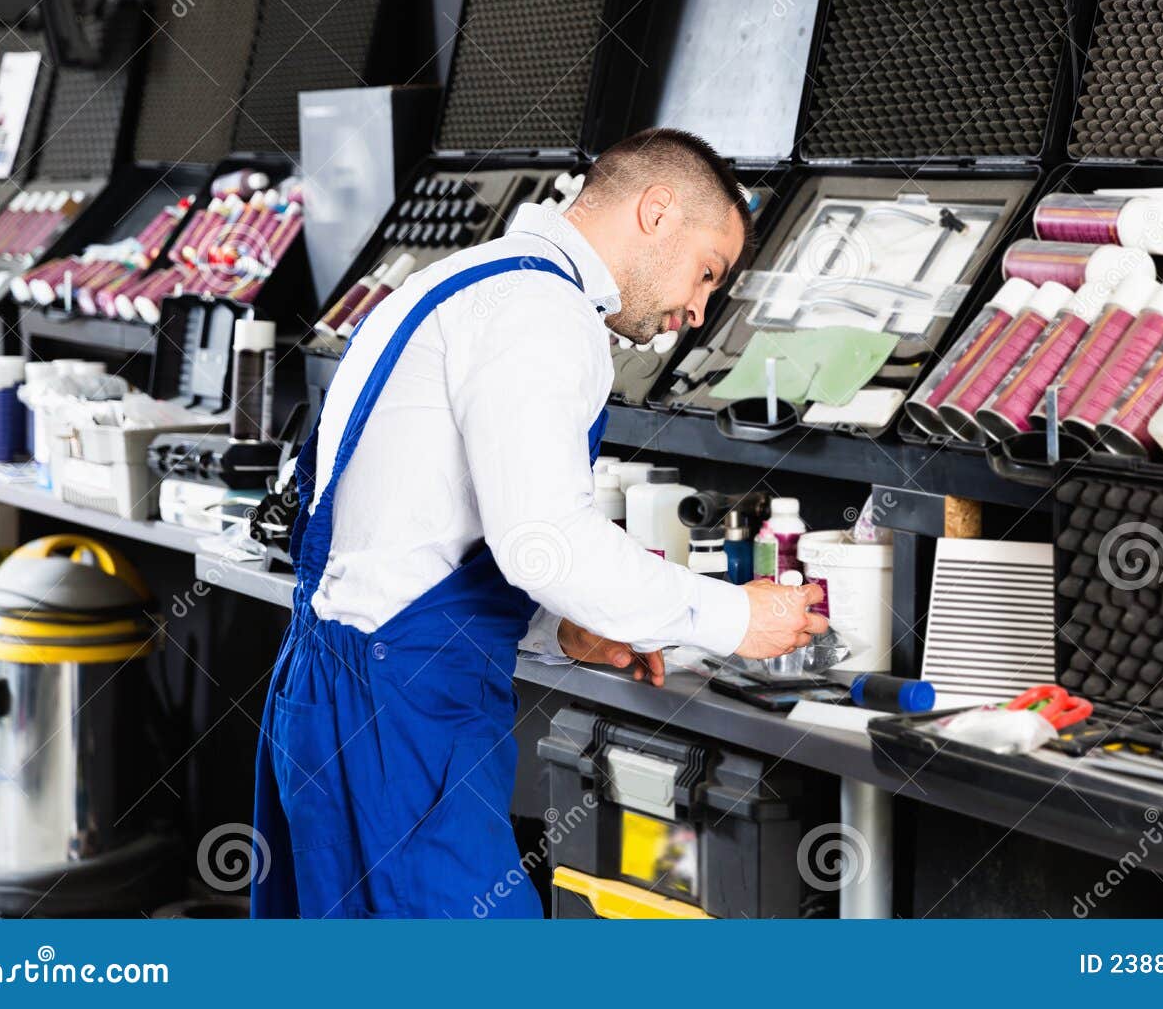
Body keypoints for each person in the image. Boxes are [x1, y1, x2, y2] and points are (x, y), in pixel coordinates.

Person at [252, 128, 828, 919]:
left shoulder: (459, 282)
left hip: (335, 689)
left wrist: (560, 631)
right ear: (657, 211)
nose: (698, 312)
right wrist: (736, 616)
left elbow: (417, 540)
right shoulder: (544, 313)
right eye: (707, 272)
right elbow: (544, 544)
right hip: (400, 718)